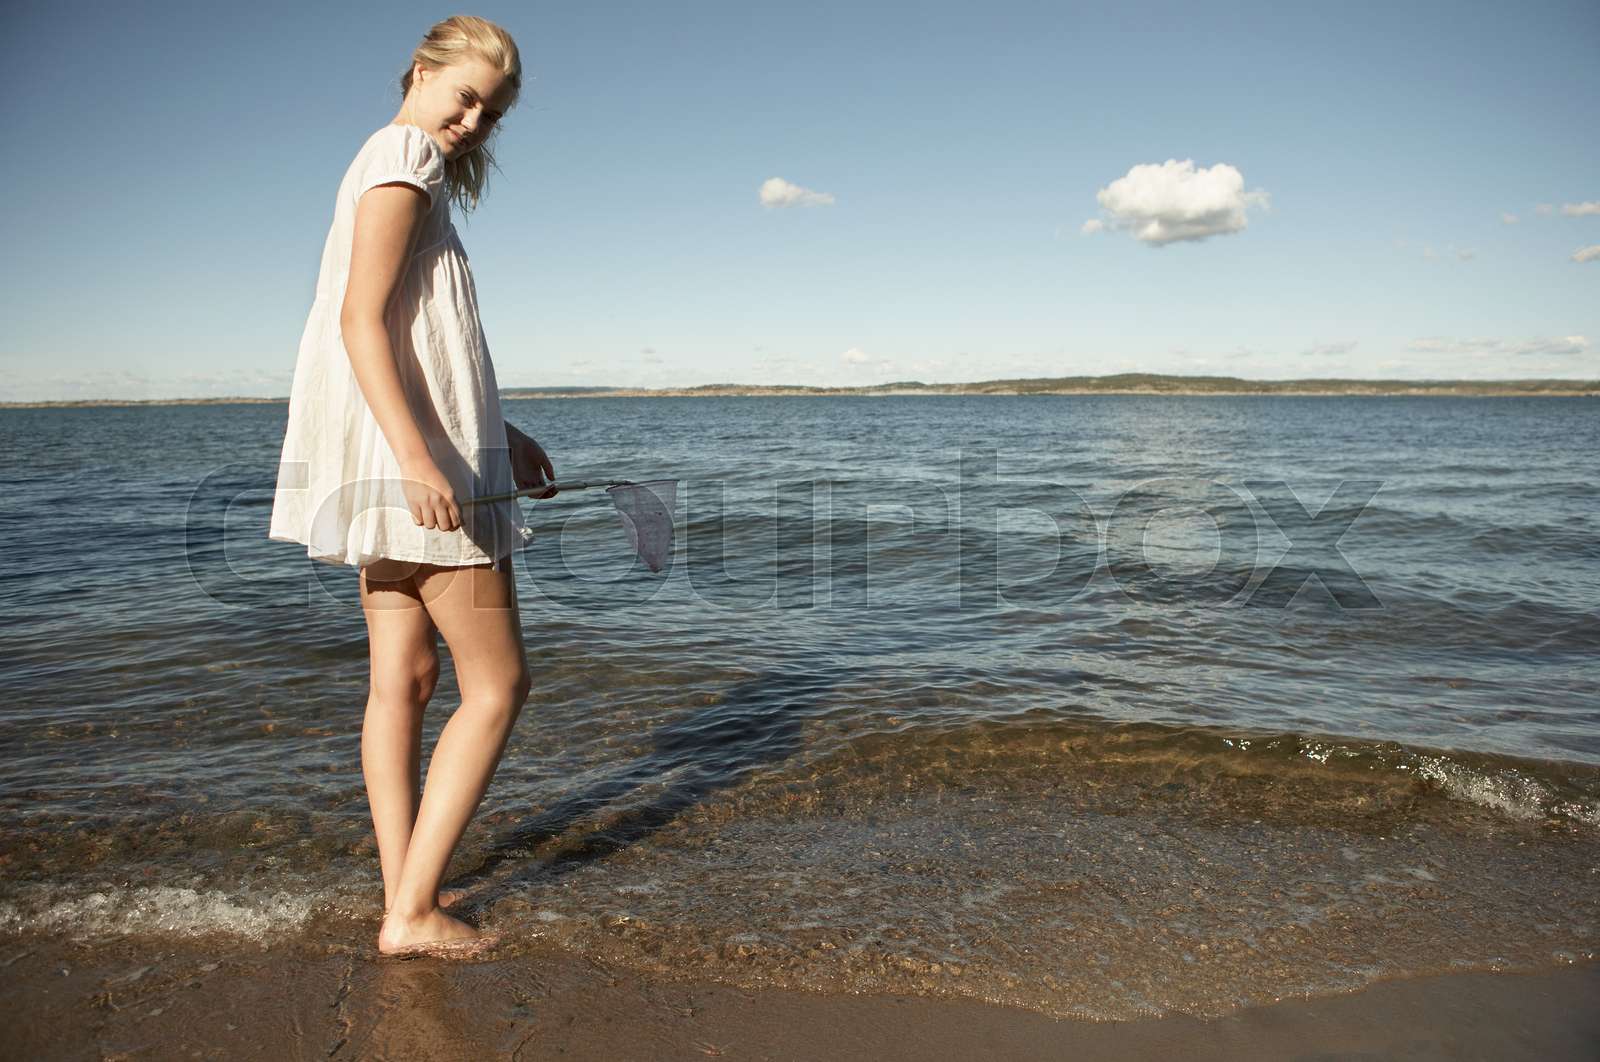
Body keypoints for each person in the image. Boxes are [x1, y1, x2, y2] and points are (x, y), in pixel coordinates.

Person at [268, 15, 553, 956]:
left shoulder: (380, 159)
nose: (474, 121)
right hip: (410, 463)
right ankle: (415, 912)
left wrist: (496, 432)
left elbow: (412, 331)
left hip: (384, 454)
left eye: (493, 112)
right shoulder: (404, 156)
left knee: (407, 676)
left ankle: (403, 891)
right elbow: (361, 321)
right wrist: (424, 458)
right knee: (498, 684)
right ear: (420, 70)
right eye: (465, 94)